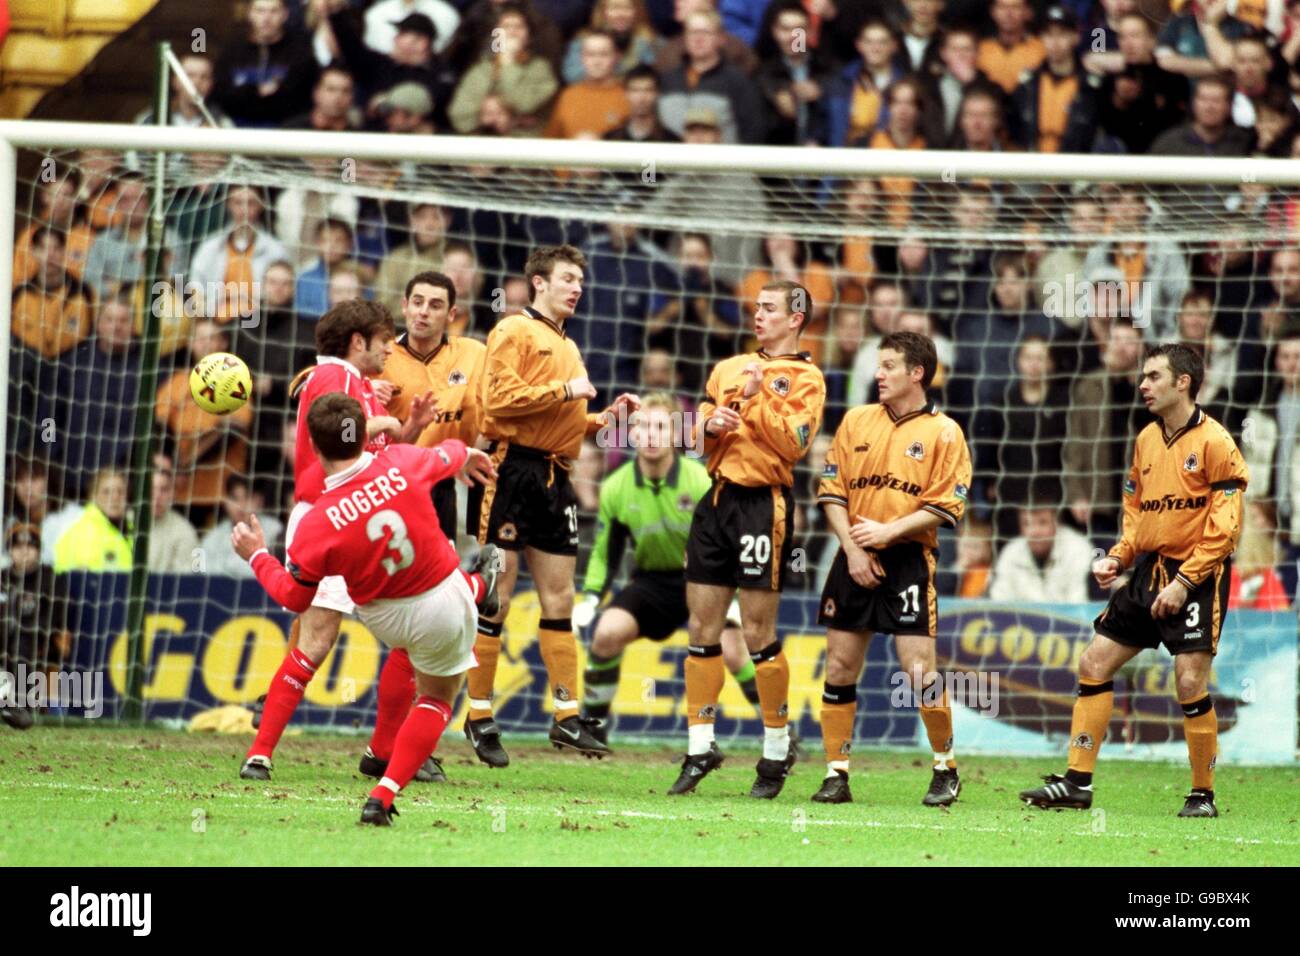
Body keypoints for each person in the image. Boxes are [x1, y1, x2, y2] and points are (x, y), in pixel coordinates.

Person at [232, 392, 498, 824]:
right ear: (364, 435)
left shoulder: (315, 525)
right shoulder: (401, 461)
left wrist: (259, 555)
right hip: (440, 604)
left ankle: (477, 584)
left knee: (401, 648)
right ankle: (383, 794)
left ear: (315, 448)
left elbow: (294, 597)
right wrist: (466, 453)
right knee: (435, 700)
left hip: (382, 616)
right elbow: (444, 454)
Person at [239, 299, 468, 782]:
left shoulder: (353, 383)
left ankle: (380, 751)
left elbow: (367, 454)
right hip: (334, 515)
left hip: (352, 511)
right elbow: (345, 442)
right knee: (323, 638)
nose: (390, 350)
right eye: (384, 341)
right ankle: (263, 751)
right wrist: (383, 419)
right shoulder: (335, 379)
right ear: (358, 341)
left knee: (406, 632)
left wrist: (410, 426)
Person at [1020, 344, 1248, 818]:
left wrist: (1185, 582)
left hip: (1198, 575)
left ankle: (1202, 793)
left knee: (1188, 681)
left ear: (1182, 382)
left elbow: (1226, 529)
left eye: (1153, 376)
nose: (1143, 385)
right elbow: (1136, 511)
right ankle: (1077, 781)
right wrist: (1119, 557)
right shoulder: (1146, 438)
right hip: (1149, 572)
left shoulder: (1216, 442)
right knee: (1094, 661)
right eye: (1143, 376)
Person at [465, 245, 640, 765]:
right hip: (511, 471)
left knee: (559, 599)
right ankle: (478, 716)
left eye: (580, 280)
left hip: (554, 476)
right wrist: (566, 390)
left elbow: (557, 418)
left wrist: (598, 419)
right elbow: (497, 404)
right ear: (538, 283)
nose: (577, 287)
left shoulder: (567, 342)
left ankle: (566, 716)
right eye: (567, 278)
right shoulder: (513, 331)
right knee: (496, 599)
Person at [669, 279, 825, 798]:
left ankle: (776, 752)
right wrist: (709, 426)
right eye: (756, 307)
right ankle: (699, 746)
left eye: (769, 309)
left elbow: (795, 445)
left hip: (764, 505)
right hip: (716, 501)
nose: (758, 315)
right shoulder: (727, 367)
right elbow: (694, 440)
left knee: (757, 631)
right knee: (701, 626)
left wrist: (758, 402)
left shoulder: (807, 377)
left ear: (795, 318)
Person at [811, 331, 971, 806]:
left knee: (919, 671)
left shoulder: (945, 432)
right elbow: (831, 492)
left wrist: (890, 533)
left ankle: (945, 769)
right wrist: (856, 550)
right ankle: (836, 774)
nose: (877, 374)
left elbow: (947, 507)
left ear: (916, 373)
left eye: (887, 366)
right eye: (877, 366)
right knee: (840, 665)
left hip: (908, 560)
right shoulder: (856, 420)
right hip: (853, 554)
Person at [574, 394, 761, 739]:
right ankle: (592, 726)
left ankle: (779, 733)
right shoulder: (615, 486)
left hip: (706, 581)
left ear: (675, 434)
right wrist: (590, 597)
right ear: (631, 433)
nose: (650, 434)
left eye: (660, 426)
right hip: (653, 582)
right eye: (643, 425)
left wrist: (727, 587)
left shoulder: (701, 479)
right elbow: (605, 551)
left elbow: (729, 542)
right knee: (605, 634)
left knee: (735, 652)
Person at [378, 271, 486, 540]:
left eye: (435, 305)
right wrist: (364, 388)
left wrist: (470, 452)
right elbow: (325, 382)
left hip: (444, 480)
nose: (423, 312)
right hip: (389, 483)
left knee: (441, 574)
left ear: (451, 314)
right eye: (417, 302)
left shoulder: (474, 353)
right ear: (404, 307)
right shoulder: (380, 355)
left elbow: (500, 409)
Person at [1, 524, 72, 730]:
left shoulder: (51, 580)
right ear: (9, 549)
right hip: (4, 640)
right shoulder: (2, 578)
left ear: (39, 550)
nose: (24, 551)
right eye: (18, 546)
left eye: (30, 546)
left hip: (39, 646)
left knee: (22, 644)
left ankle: (16, 708)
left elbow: (54, 620)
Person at [988, 496, 1096, 603]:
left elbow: (1080, 604)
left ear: (1057, 524)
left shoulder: (1078, 549)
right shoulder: (1011, 553)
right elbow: (999, 601)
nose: (1034, 532)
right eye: (1027, 524)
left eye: (1042, 523)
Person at [52, 468, 131, 573]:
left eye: (120, 492)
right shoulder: (84, 533)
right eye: (107, 492)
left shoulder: (134, 529)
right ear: (93, 497)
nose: (115, 497)